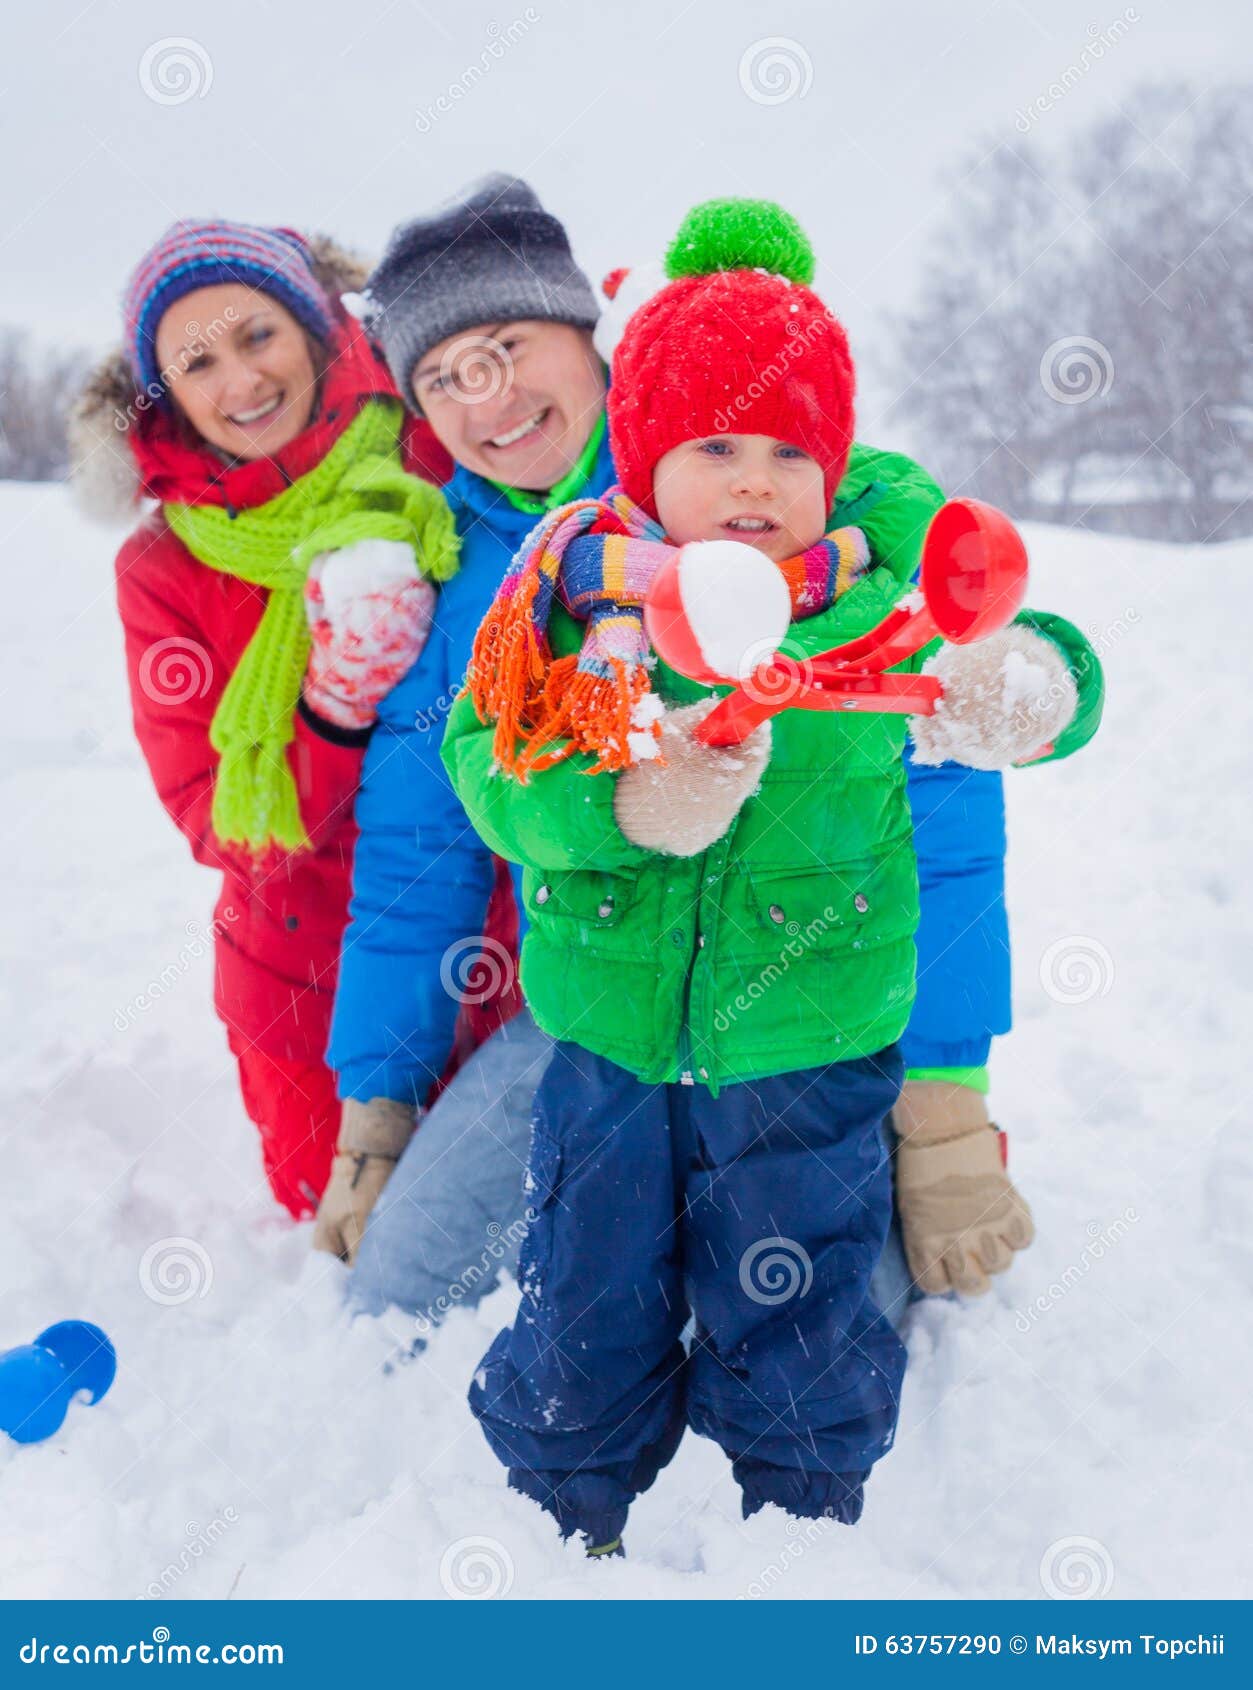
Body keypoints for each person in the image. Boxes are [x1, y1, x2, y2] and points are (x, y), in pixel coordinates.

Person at [441, 197, 1104, 1552]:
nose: (754, 482)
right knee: (586, 1291)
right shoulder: (570, 585)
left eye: (789, 451)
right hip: (610, 1038)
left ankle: (796, 1520)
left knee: (795, 1304)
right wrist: (618, 798)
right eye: (716, 447)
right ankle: (571, 1501)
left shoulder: (884, 580)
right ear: (642, 453)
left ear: (837, 459)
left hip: (812, 1032)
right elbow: (486, 766)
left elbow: (1037, 653)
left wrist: (1019, 686)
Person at [322, 175, 1034, 1318]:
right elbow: (421, 850)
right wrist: (378, 1111)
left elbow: (943, 801)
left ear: (586, 337)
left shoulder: (783, 484)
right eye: (442, 376)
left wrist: (943, 1095)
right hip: (600, 1011)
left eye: (507, 344)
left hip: (818, 1011)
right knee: (394, 1300)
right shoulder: (475, 584)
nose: (485, 396)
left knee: (845, 1327)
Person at [70, 218, 459, 1218]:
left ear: (319, 329)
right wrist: (333, 701)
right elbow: (216, 818)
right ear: (165, 396)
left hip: (482, 943)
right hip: (301, 981)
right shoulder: (161, 571)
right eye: (196, 361)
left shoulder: (433, 460)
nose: (238, 380)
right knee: (353, 1261)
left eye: (258, 336)